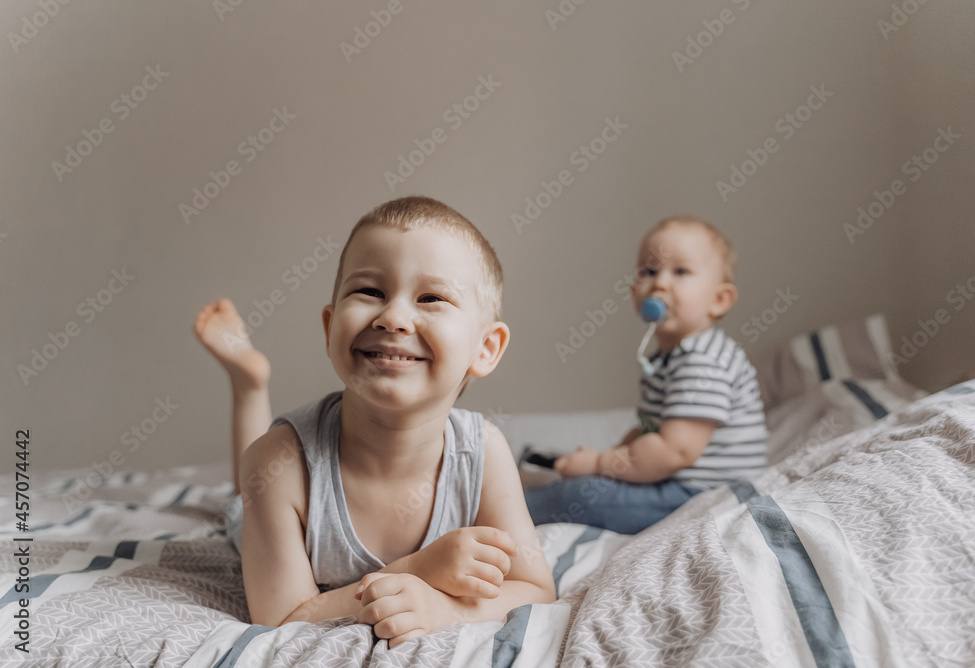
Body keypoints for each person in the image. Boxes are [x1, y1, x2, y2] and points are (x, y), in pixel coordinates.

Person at [194, 196, 555, 647]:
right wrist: (418, 571)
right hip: (271, 489)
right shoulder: (280, 462)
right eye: (370, 292)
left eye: (432, 298)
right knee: (245, 496)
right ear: (329, 329)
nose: (393, 317)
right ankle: (250, 385)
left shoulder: (484, 452)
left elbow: (536, 587)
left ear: (485, 348)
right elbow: (281, 617)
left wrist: (440, 606)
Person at [525, 214, 768, 534]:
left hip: (702, 497)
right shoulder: (673, 356)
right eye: (649, 271)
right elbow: (653, 431)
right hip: (678, 484)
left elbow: (673, 451)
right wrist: (613, 458)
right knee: (590, 481)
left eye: (680, 271)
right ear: (634, 292)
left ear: (718, 300)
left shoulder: (704, 361)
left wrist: (600, 463)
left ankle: (506, 509)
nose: (661, 283)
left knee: (580, 497)